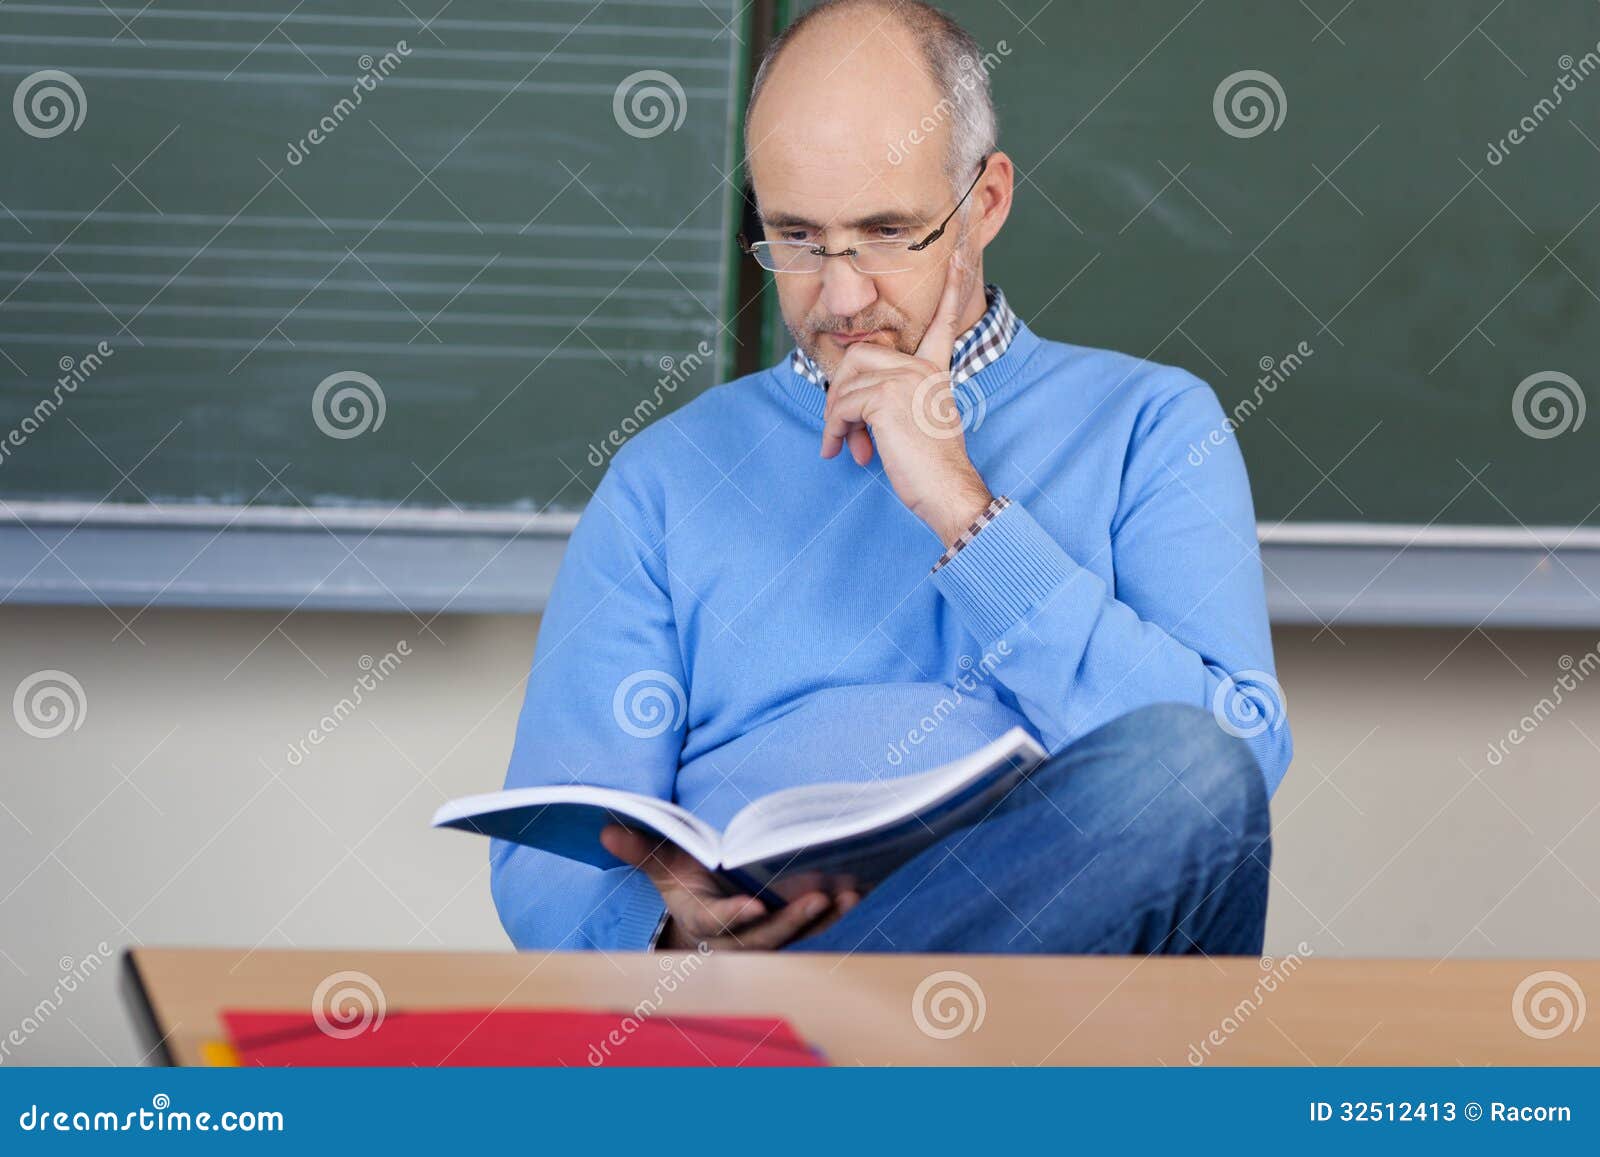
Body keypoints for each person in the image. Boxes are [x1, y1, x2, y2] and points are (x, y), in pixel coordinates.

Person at [491, 0, 1291, 954]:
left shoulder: (1152, 424)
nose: (839, 295)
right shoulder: (663, 479)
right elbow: (546, 856)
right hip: (743, 985)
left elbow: (1230, 767)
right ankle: (830, 1040)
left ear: (984, 202)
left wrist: (962, 507)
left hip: (1041, 1003)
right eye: (796, 236)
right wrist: (665, 926)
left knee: (1188, 766)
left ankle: (840, 1050)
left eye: (884, 233)